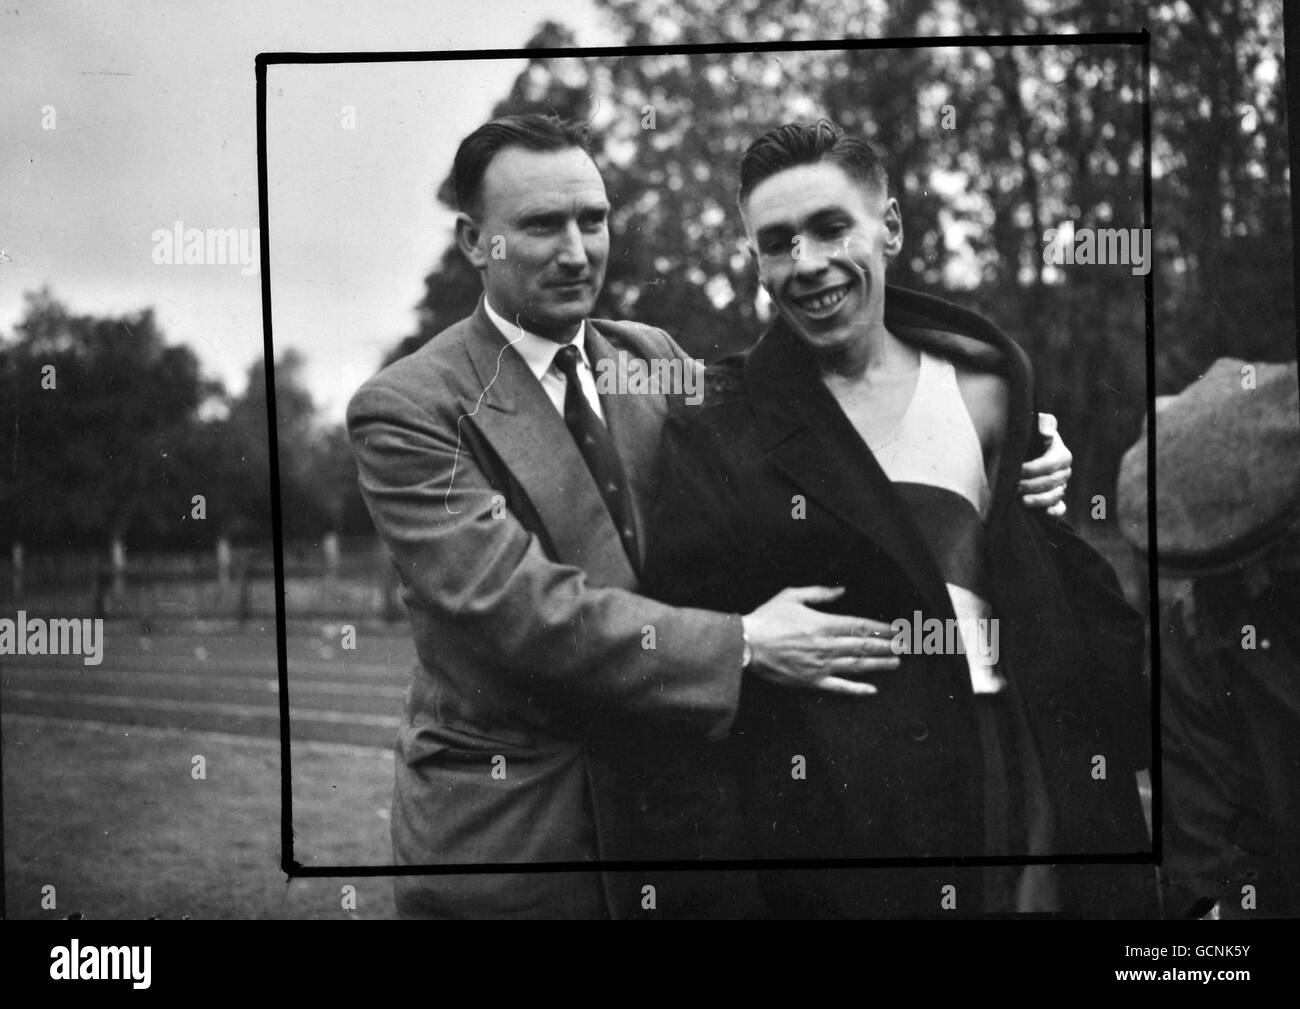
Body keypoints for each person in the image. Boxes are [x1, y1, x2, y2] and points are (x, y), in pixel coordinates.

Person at [346, 113, 1075, 919]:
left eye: (593, 220)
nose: (577, 250)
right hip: (516, 836)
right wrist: (747, 643)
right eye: (541, 225)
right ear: (474, 241)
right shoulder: (410, 407)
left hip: (668, 817)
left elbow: (804, 428)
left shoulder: (650, 357)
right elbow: (516, 607)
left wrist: (1007, 445)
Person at [628, 120, 1156, 918]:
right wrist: (747, 643)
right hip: (854, 844)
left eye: (831, 227)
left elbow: (1031, 563)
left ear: (892, 228)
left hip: (1032, 785)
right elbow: (682, 685)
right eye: (777, 243)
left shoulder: (986, 378)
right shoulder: (718, 427)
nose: (807, 264)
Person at [1116, 358, 1300, 919]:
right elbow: (1205, 862)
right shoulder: (1195, 639)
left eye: (1277, 557)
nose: (1255, 583)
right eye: (1224, 573)